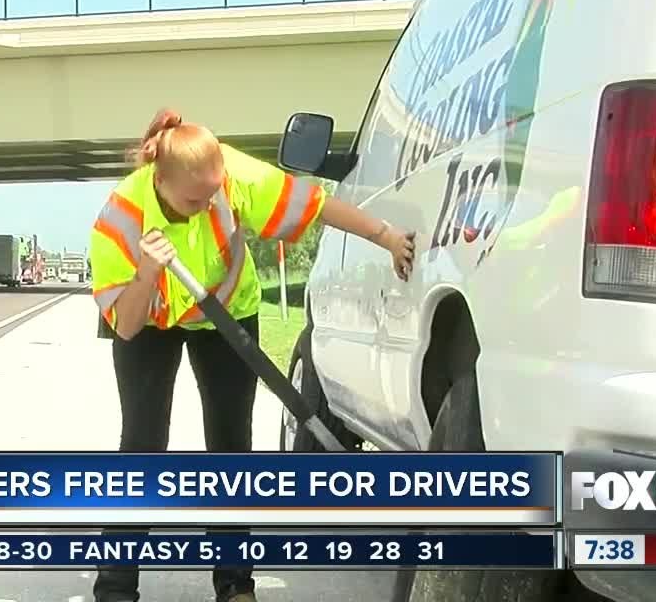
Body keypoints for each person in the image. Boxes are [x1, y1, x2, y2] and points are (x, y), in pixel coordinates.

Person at [87, 109, 416, 602]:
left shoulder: (231, 176)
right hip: (147, 317)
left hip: (225, 312)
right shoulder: (119, 220)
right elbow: (128, 326)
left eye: (213, 194)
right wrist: (149, 273)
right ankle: (115, 587)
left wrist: (386, 237)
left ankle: (235, 584)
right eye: (194, 199)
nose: (207, 204)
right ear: (161, 180)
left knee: (231, 448)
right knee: (141, 446)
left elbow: (317, 205)